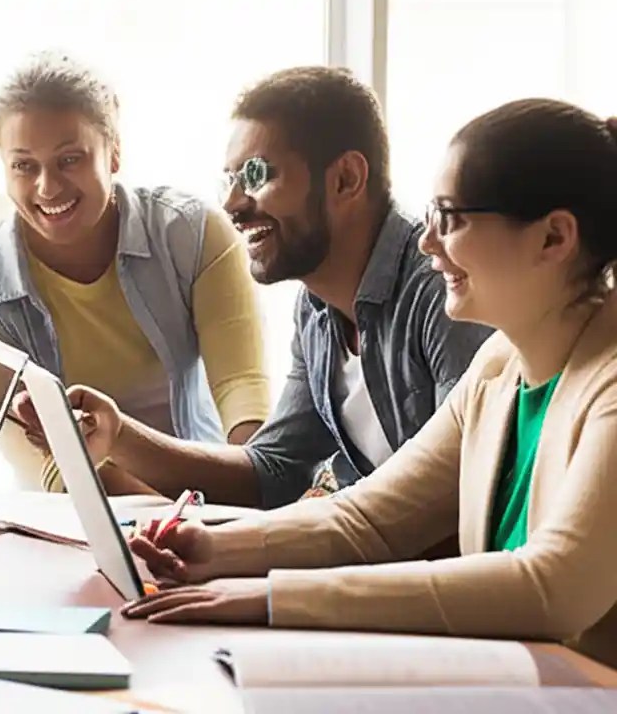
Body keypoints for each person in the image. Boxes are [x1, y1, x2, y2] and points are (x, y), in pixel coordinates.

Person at [121, 99, 617, 668]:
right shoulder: (502, 362)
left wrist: (271, 598)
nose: (428, 243)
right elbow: (370, 518)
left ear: (553, 238)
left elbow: (548, 588)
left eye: (451, 219)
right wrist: (213, 549)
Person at [26, 66, 492, 508]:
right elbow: (274, 470)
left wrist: (275, 551)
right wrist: (118, 435)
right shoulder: (316, 309)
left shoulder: (443, 293)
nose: (231, 203)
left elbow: (457, 498)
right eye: (230, 179)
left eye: (256, 174)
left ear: (346, 179)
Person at [0, 51, 271, 495]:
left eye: (69, 159)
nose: (47, 187)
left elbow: (243, 392)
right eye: (24, 165)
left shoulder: (191, 234)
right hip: (76, 516)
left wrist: (250, 492)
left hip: (203, 494)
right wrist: (165, 523)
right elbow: (51, 466)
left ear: (113, 153)